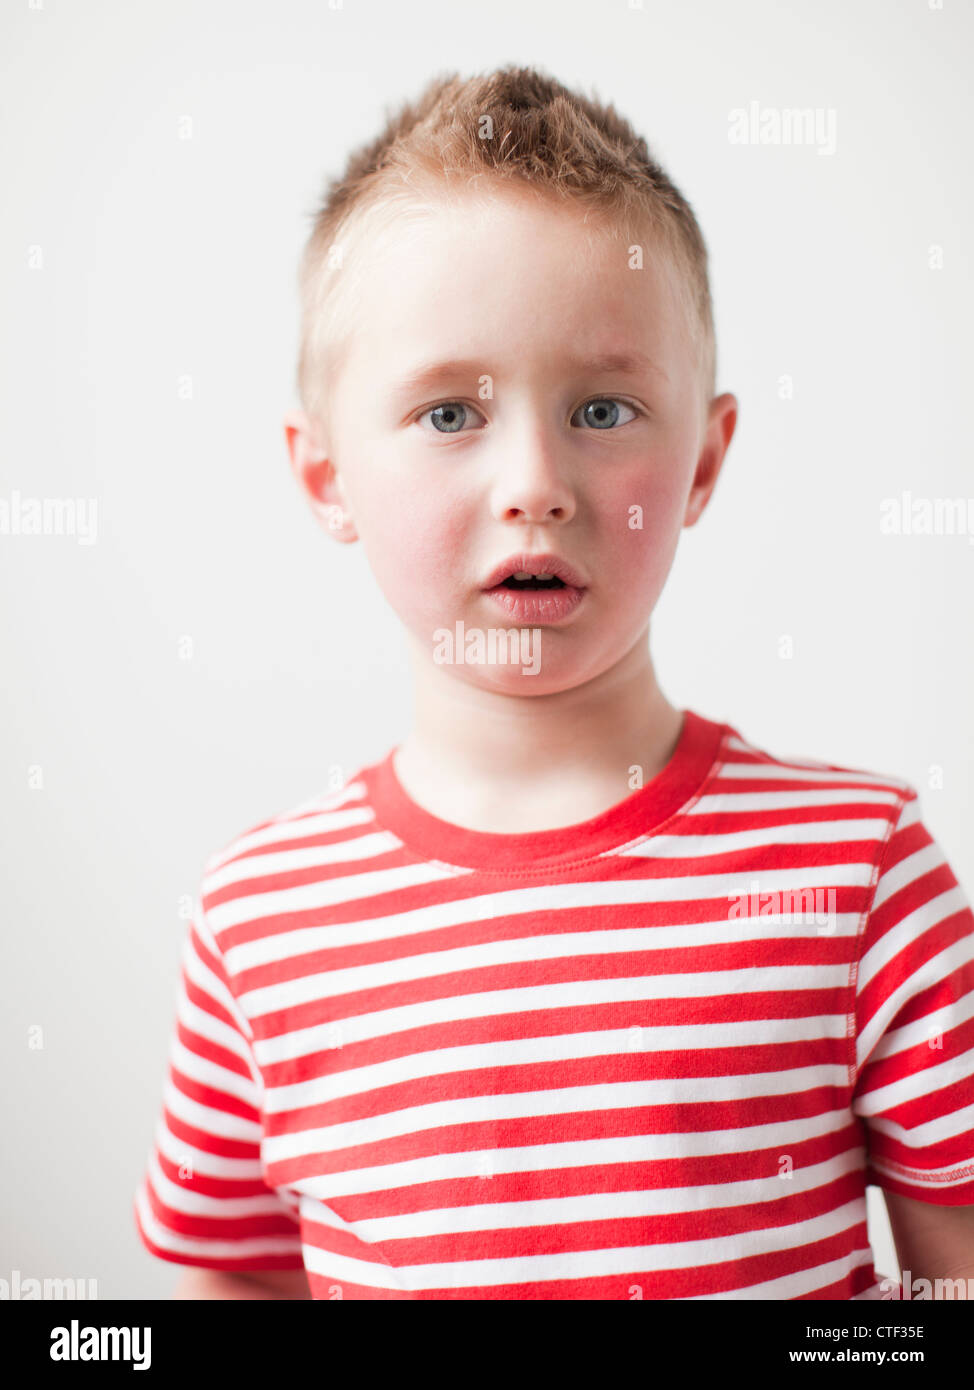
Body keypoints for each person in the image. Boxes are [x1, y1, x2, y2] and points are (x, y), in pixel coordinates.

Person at [133, 65, 974, 1300]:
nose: (534, 479)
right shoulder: (257, 920)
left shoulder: (854, 873)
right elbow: (227, 1288)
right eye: (446, 415)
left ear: (702, 459)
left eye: (600, 406)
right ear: (325, 478)